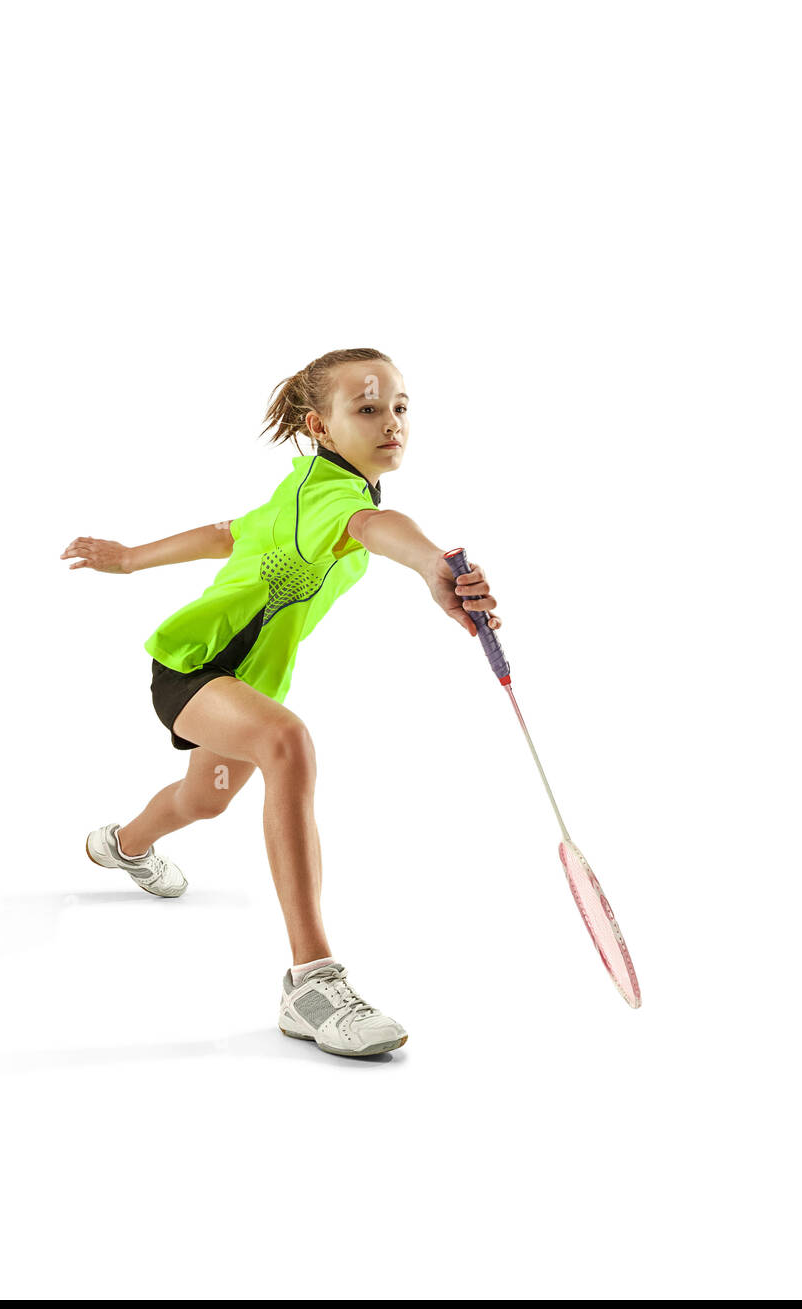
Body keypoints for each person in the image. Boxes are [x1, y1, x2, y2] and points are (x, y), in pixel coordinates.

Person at [60, 347, 502, 1058]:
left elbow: (233, 533)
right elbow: (370, 530)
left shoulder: (308, 483)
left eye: (399, 406)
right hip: (193, 668)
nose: (390, 421)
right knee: (287, 743)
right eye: (366, 408)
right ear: (320, 427)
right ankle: (312, 983)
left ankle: (123, 845)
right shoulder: (334, 500)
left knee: (205, 799)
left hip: (242, 685)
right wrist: (429, 564)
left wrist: (132, 556)